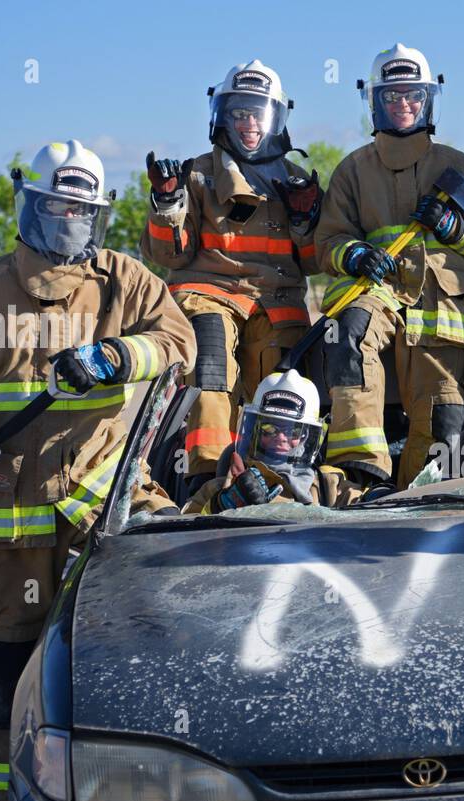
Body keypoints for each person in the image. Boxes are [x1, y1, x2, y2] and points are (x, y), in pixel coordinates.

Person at [0, 140, 196, 801]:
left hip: (94, 503)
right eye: (56, 207)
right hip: (1, 525)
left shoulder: (121, 280)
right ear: (29, 206)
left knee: (128, 654)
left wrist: (114, 356)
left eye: (82, 210)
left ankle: (131, 789)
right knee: (8, 677)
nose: (69, 221)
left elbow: (179, 342)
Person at [314, 43, 464, 490]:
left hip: (446, 313)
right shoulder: (352, 172)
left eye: (412, 96)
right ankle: (360, 476)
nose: (403, 105)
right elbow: (327, 243)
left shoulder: (462, 169)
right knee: (348, 333)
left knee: (446, 422)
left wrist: (453, 226)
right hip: (380, 293)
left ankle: (420, 499)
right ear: (375, 102)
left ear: (428, 100)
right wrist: (355, 254)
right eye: (392, 96)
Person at [142, 60, 322, 491]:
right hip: (209, 293)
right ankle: (204, 479)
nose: (248, 123)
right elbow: (171, 252)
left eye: (257, 113)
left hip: (277, 303)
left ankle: (276, 484)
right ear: (223, 115)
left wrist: (304, 221)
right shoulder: (196, 174)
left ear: (276, 117)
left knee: (283, 390)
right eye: (239, 112)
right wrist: (167, 204)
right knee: (211, 366)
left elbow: (315, 262)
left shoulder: (297, 181)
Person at [183, 370, 364, 512]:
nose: (281, 438)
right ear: (254, 429)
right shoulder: (221, 486)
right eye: (270, 428)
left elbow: (372, 509)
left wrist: (381, 495)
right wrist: (222, 504)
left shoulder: (327, 486)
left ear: (306, 437)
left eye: (293, 431)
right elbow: (182, 530)